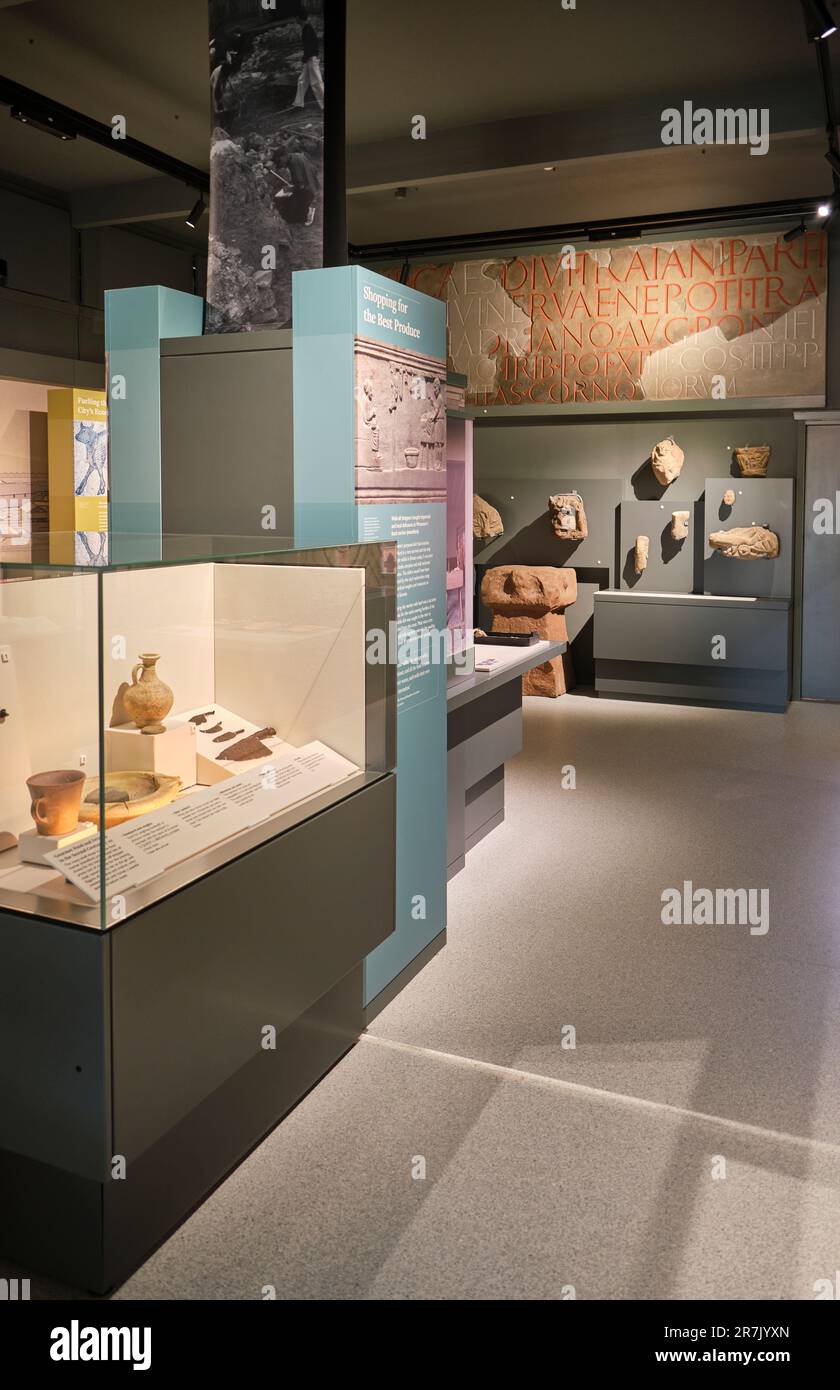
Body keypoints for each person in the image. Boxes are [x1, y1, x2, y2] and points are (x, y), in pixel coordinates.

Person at [292, 10, 324, 110]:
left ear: (299, 18)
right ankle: (298, 103)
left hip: (311, 58)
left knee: (316, 83)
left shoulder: (307, 29)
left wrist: (306, 57)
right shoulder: (306, 28)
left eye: (295, 17)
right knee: (301, 80)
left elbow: (311, 46)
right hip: (309, 58)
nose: (295, 19)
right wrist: (305, 58)